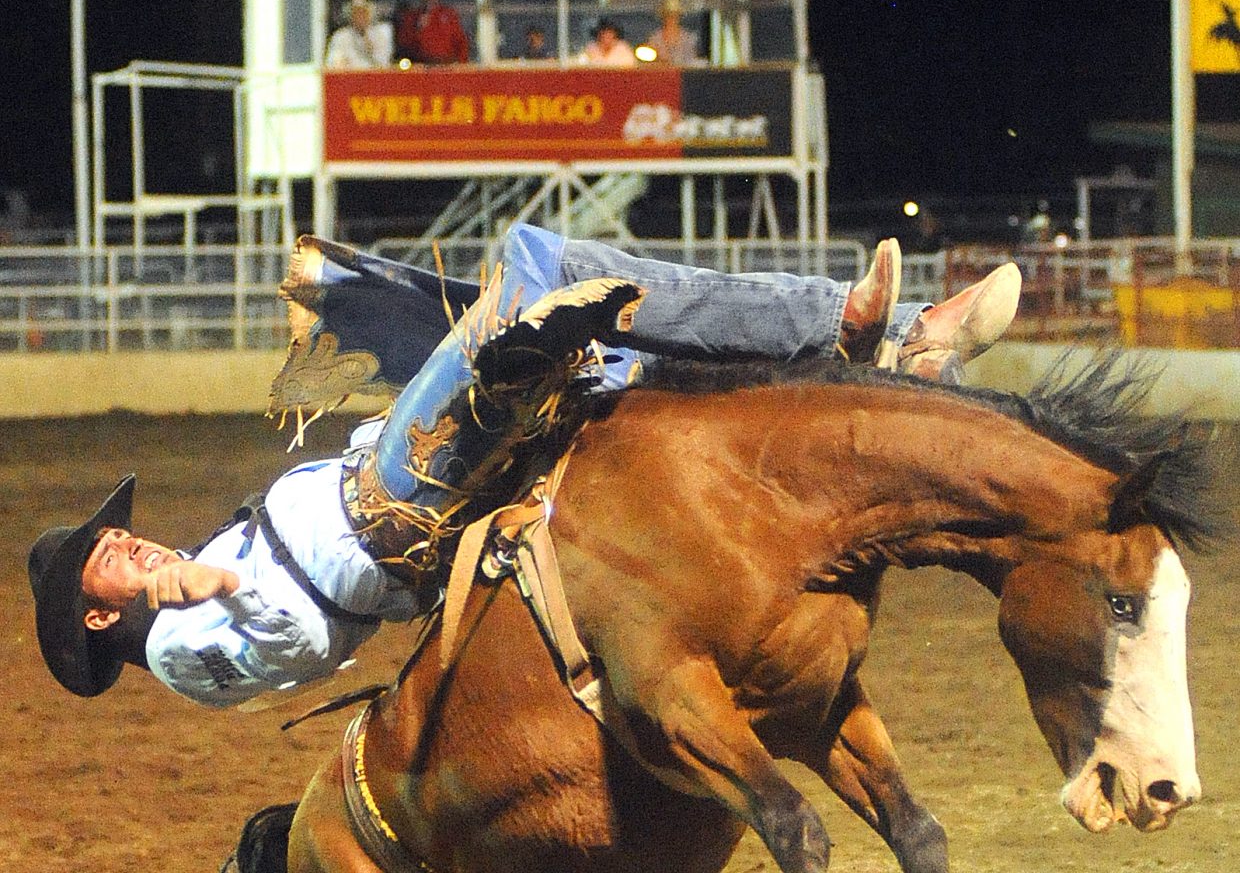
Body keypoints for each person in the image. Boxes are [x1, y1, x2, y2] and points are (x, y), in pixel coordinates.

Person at [28, 224, 1021, 708]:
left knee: (601, 359)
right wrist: (219, 584)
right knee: (536, 270)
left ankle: (892, 350)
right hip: (396, 508)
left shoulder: (189, 602)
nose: (122, 537)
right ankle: (853, 328)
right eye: (101, 554)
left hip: (399, 491)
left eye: (111, 532)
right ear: (99, 616)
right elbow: (291, 639)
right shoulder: (179, 653)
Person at [395, 0, 470, 65]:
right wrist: (418, 28)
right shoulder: (412, 17)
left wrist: (461, 64)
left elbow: (461, 41)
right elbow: (404, 44)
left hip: (446, 65)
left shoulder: (449, 14)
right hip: (421, 66)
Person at [324, 0, 393, 70]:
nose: (360, 16)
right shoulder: (341, 36)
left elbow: (384, 62)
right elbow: (333, 62)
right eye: (356, 13)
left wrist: (370, 47)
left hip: (374, 77)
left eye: (364, 12)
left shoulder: (380, 34)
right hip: (350, 77)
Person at [642, 0, 700, 65]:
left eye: (674, 15)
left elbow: (692, 63)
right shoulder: (655, 39)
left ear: (679, 17)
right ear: (663, 17)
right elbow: (649, 62)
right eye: (668, 15)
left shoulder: (688, 38)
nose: (671, 19)